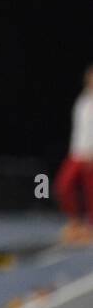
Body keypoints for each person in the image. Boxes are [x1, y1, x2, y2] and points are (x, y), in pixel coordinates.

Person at [56, 65, 93, 245]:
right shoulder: (83, 99)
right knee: (63, 186)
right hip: (77, 152)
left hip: (91, 154)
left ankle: (90, 228)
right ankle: (76, 223)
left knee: (90, 193)